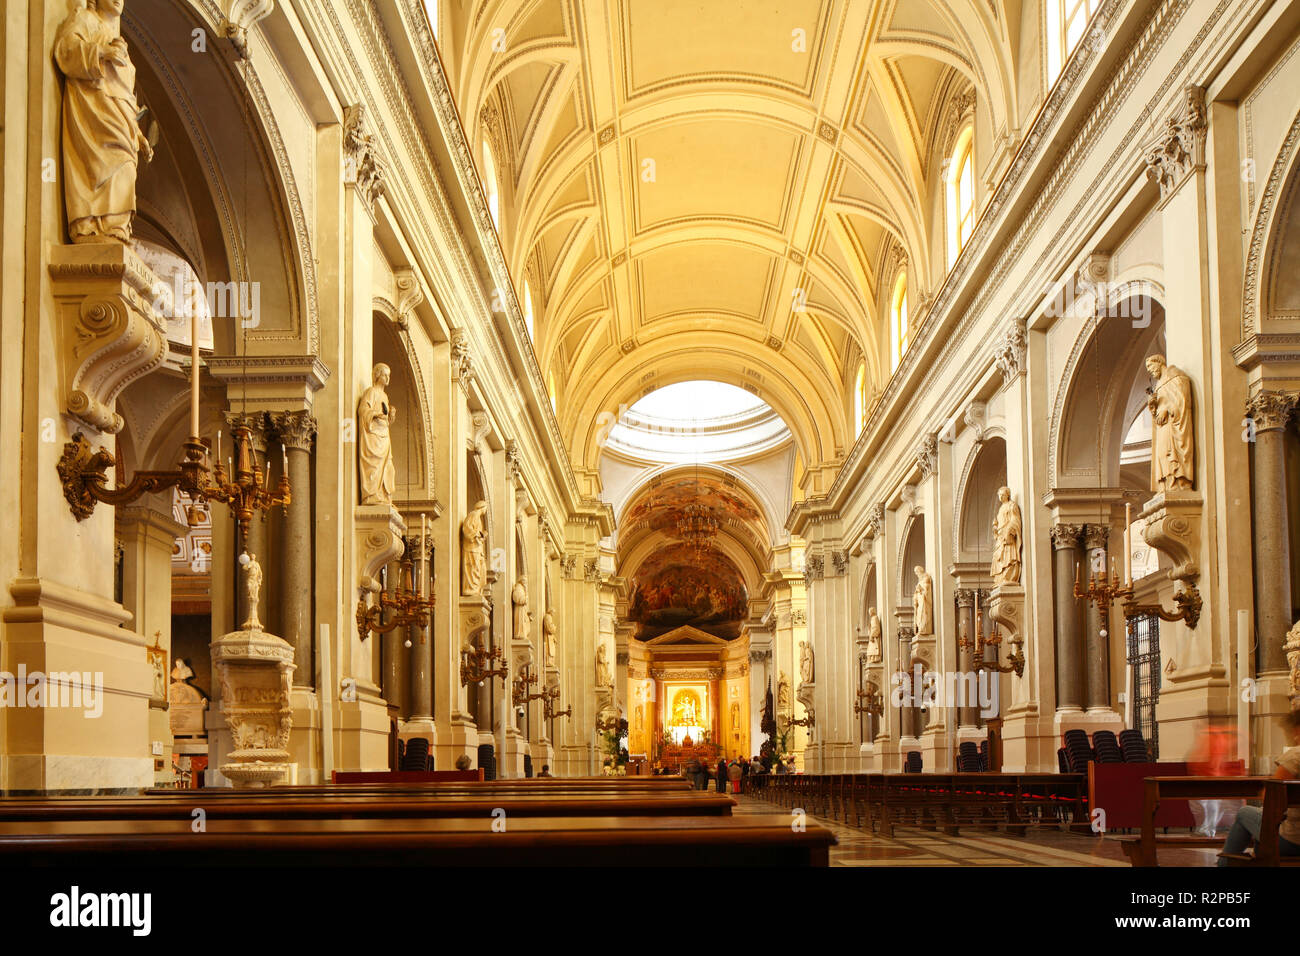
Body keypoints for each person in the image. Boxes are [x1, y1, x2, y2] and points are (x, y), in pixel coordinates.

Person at [1218, 711, 1300, 865]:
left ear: (1297, 729)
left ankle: (1225, 864)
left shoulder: (1295, 756)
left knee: (1245, 812)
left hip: (1293, 841)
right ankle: (1259, 852)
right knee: (1261, 827)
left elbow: (1271, 799)